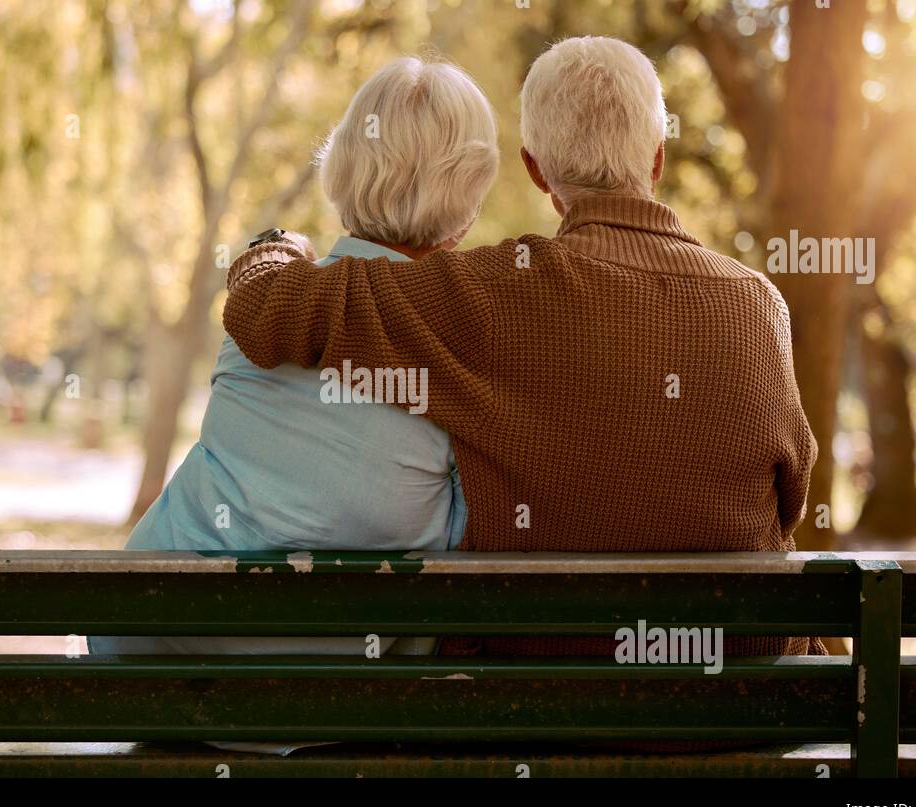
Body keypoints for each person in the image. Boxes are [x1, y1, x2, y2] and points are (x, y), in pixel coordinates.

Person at [223, 36, 824, 661]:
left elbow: (269, 311)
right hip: (747, 703)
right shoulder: (757, 303)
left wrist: (273, 247)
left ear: (535, 169)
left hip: (538, 705)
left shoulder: (494, 292)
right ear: (657, 160)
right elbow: (791, 493)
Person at [91, 56, 501, 752]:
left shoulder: (266, 306)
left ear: (342, 166)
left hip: (161, 659)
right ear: (469, 195)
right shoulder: (469, 345)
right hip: (341, 700)